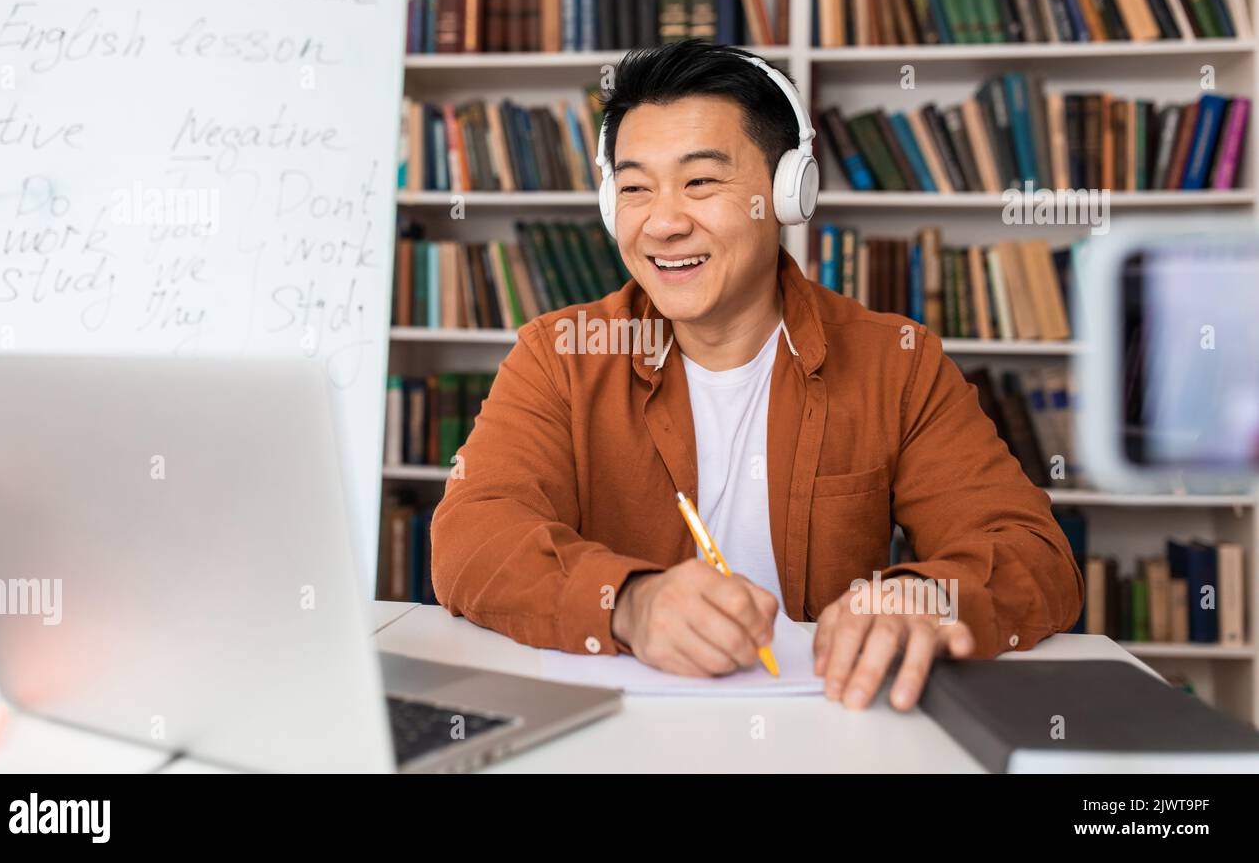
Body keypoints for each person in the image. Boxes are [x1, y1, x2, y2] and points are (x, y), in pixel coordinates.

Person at [431, 40, 1082, 711]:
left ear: (785, 192)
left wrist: (925, 598)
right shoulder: (560, 354)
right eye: (634, 188)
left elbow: (1033, 557)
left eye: (701, 182)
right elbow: (471, 539)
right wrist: (627, 601)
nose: (663, 222)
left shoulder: (898, 362)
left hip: (834, 729)